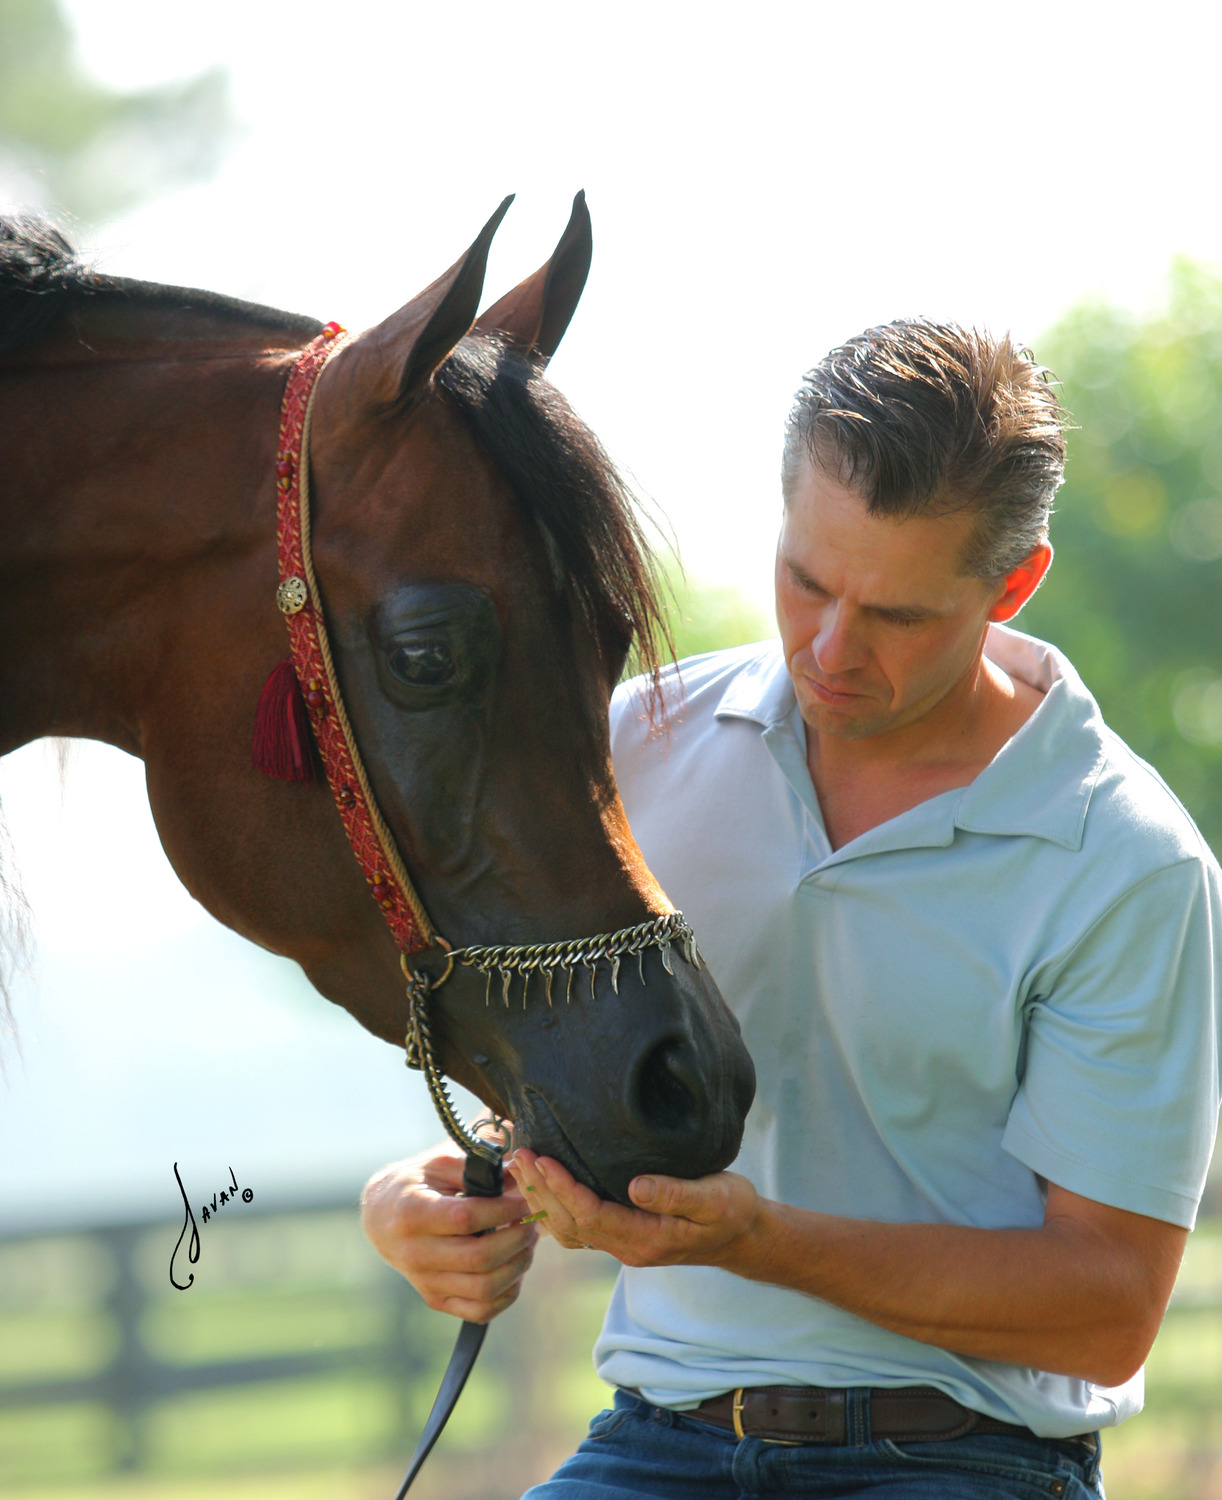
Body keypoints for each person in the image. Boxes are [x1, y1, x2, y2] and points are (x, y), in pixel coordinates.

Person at [360, 320, 1222, 1499]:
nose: (829, 647)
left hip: (963, 1458)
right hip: (655, 1438)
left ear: (1012, 584)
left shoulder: (1124, 862)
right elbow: (555, 1102)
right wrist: (430, 1200)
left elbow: (1106, 1311)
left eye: (898, 615)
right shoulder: (632, 749)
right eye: (805, 579)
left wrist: (762, 1241)